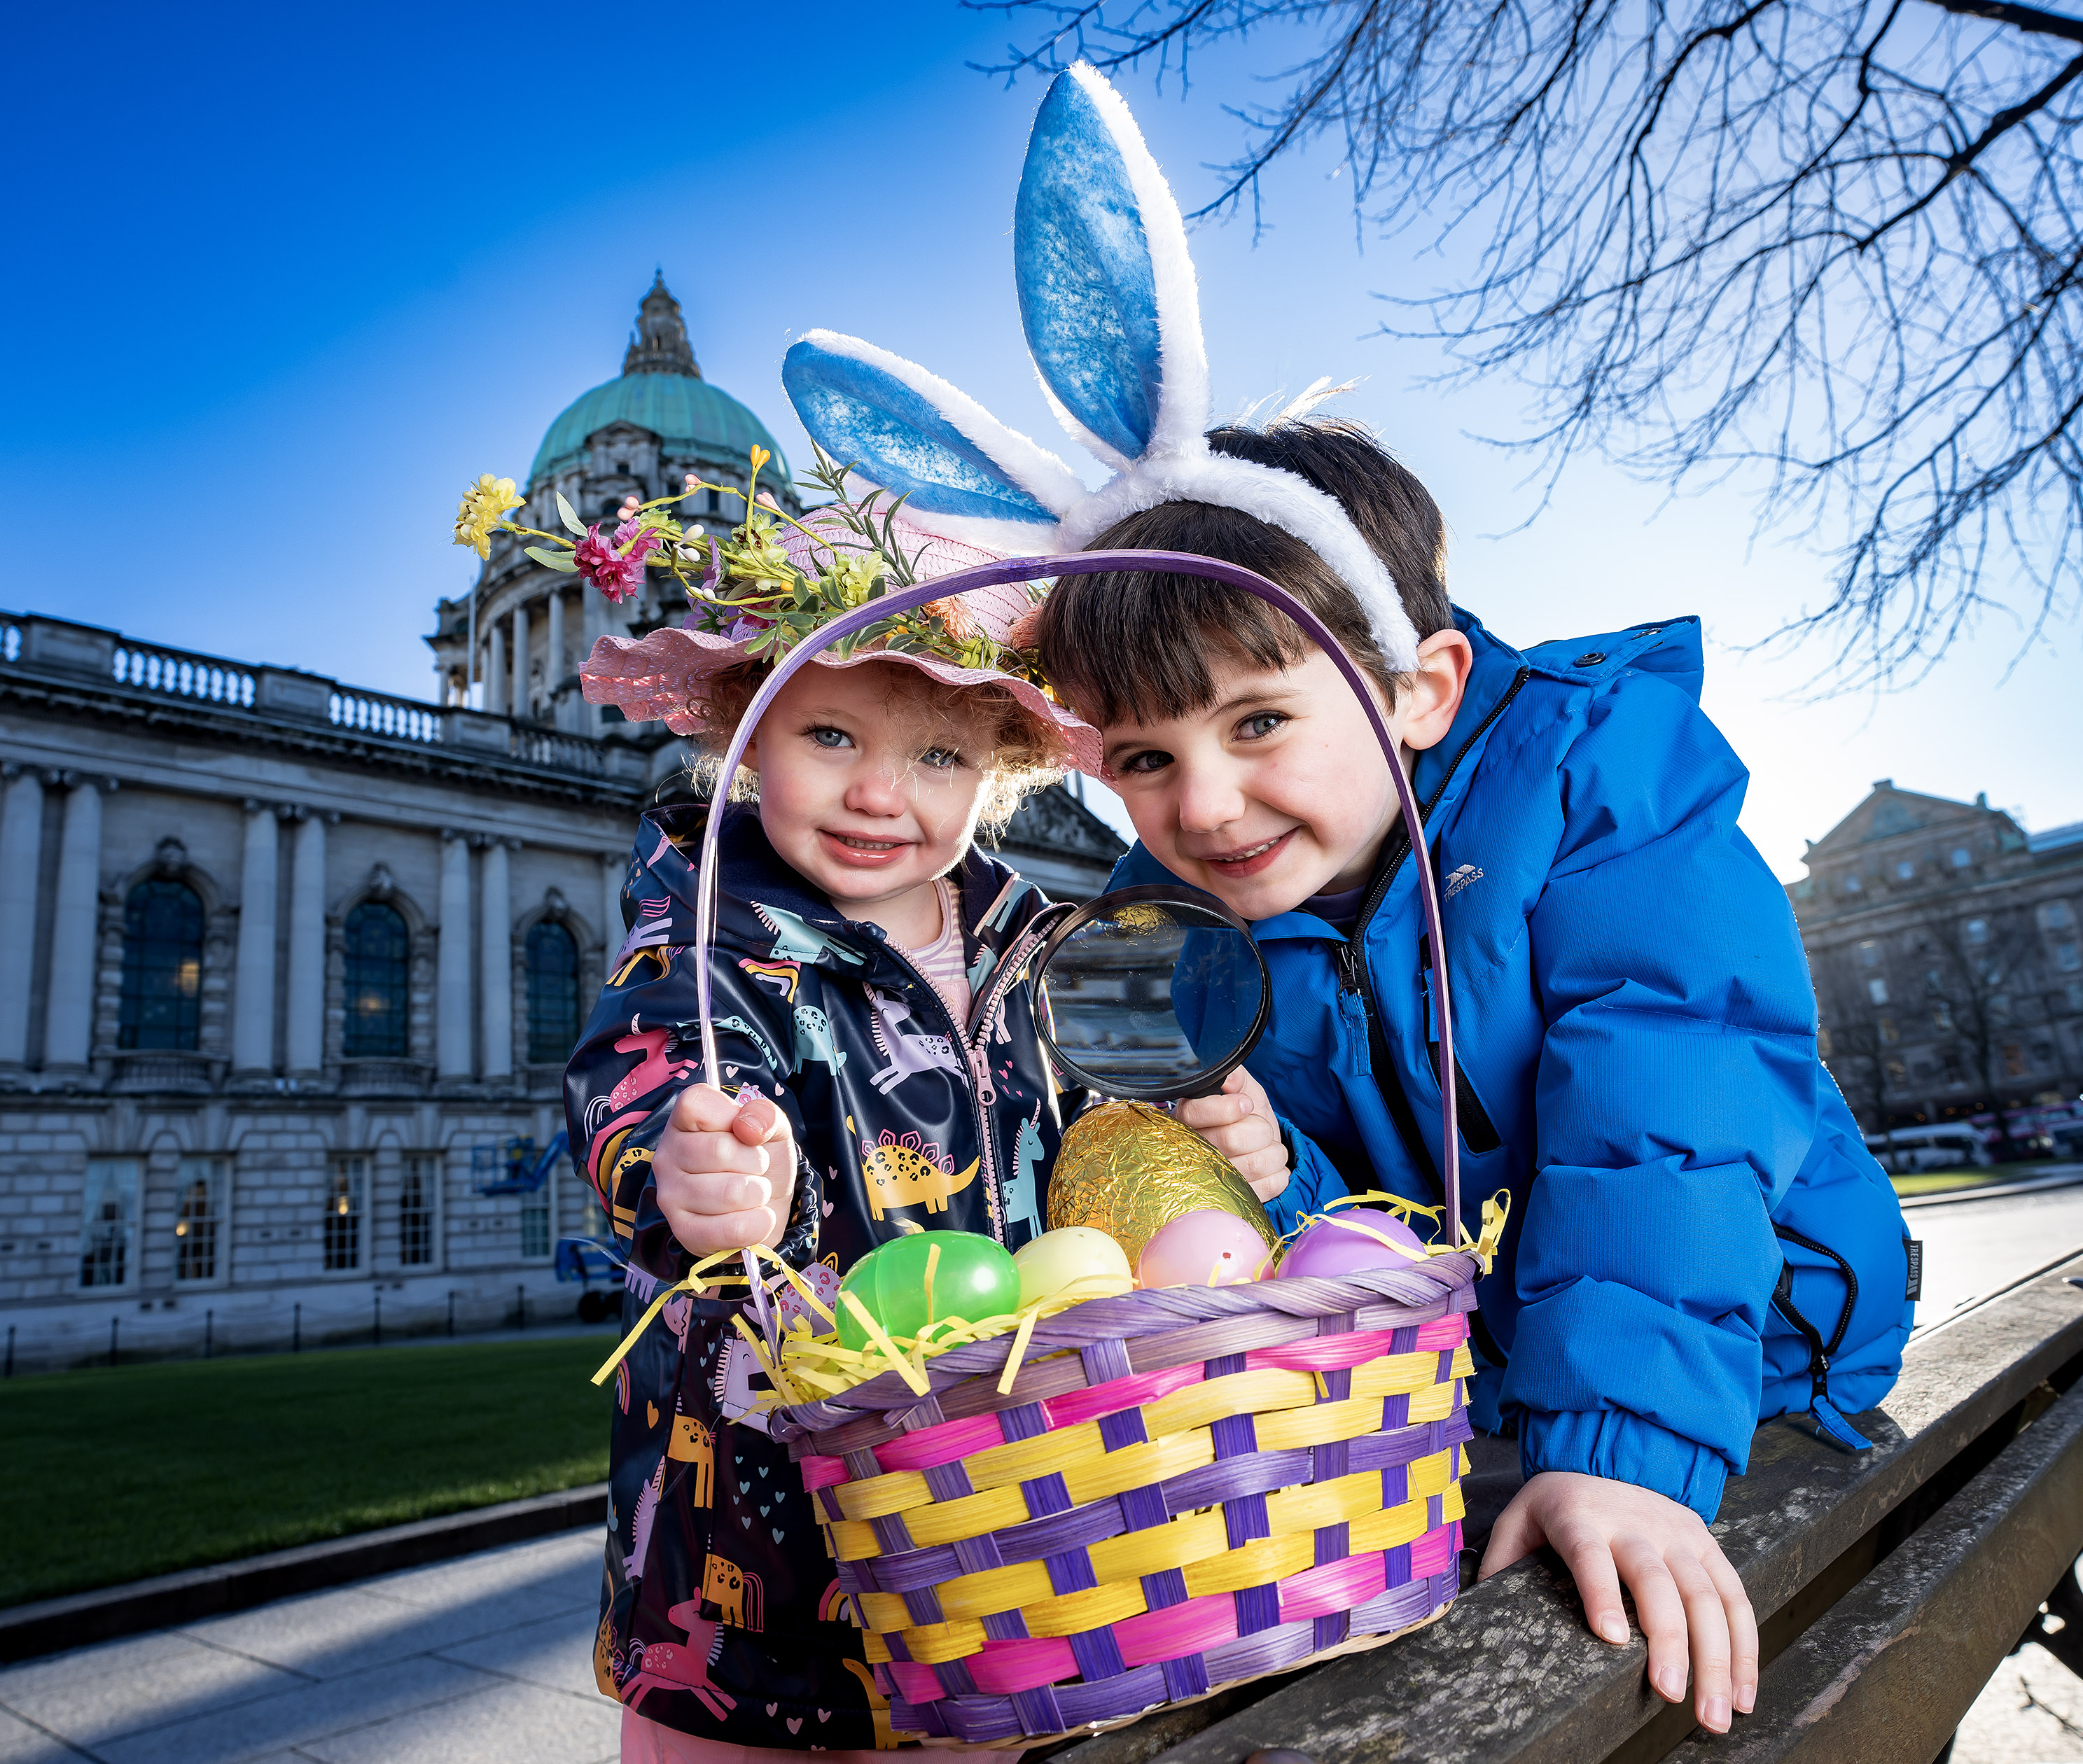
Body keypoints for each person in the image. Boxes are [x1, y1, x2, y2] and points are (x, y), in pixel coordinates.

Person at [778, 62, 1916, 1740]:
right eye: (1147, 760)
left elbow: (1667, 1109)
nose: (1206, 805)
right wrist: (1277, 1178)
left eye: (1257, 724)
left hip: (1750, 1363)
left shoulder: (1607, 783)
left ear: (1419, 688)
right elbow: (1379, 1217)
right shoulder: (1232, 942)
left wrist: (1619, 1457)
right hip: (1511, 1385)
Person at [556, 484, 1171, 1763]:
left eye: (939, 756)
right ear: (744, 726)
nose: (882, 794)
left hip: (993, 1546)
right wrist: (681, 1168)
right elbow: (639, 1080)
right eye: (832, 734)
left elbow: (1077, 1160)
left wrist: (1195, 1159)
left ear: (994, 770)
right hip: (755, 1578)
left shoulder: (1022, 937)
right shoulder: (703, 933)